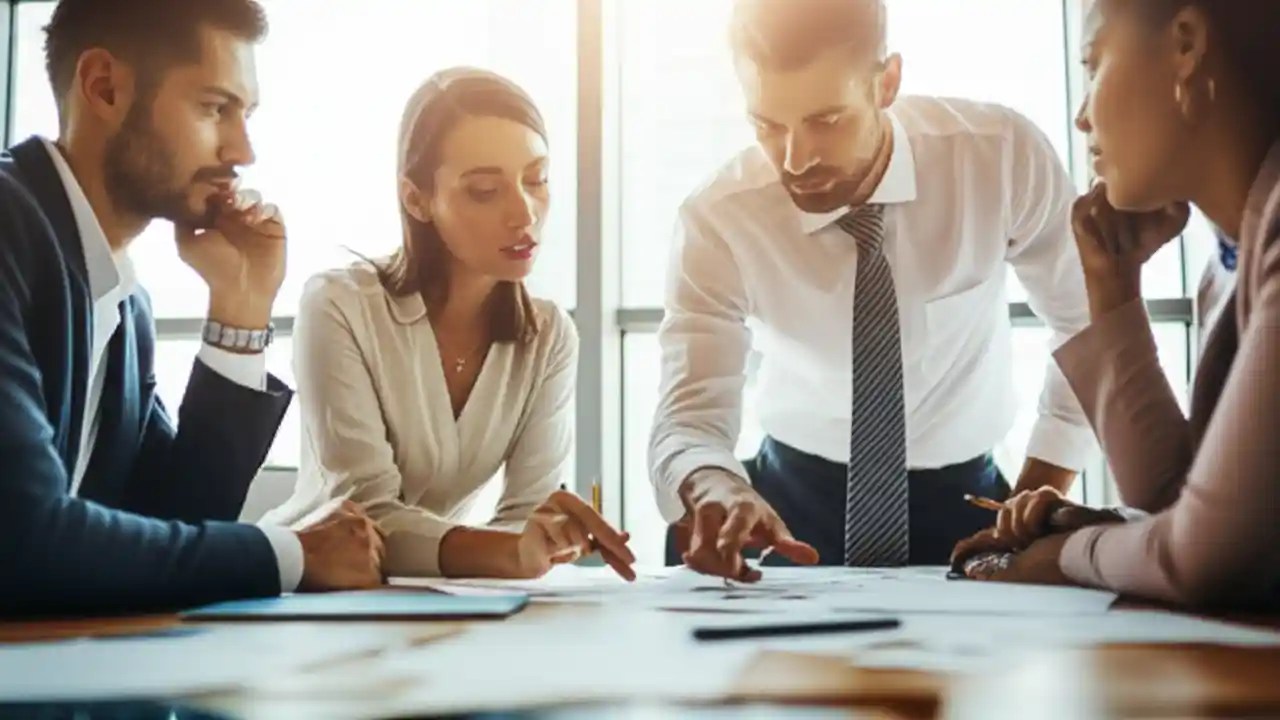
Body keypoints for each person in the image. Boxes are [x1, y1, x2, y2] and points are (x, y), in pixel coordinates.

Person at [649, 0, 1095, 580]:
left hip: (969, 504)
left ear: (887, 83)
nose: (794, 159)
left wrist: (1039, 494)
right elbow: (688, 414)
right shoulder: (720, 219)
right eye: (768, 126)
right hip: (783, 507)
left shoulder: (998, 156)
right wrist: (713, 481)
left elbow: (1088, 327)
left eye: (826, 121)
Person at [0, 0, 384, 617]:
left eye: (246, 114)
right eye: (214, 108)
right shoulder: (9, 230)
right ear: (104, 87)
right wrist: (291, 554)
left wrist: (241, 305)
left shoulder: (122, 306)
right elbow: (20, 539)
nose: (242, 150)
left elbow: (174, 522)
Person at [952, 0, 1280, 610]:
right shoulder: (1231, 261)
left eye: (1093, 63)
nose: (1081, 117)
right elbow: (1174, 504)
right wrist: (1113, 289)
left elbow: (1206, 559)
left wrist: (1070, 557)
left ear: (1185, 45)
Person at [261, 68, 636, 581]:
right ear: (416, 199)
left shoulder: (548, 337)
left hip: (442, 596)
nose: (524, 213)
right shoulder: (339, 306)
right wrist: (510, 551)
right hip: (309, 589)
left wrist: (543, 536)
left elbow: (525, 517)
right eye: (485, 190)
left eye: (536, 179)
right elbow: (367, 517)